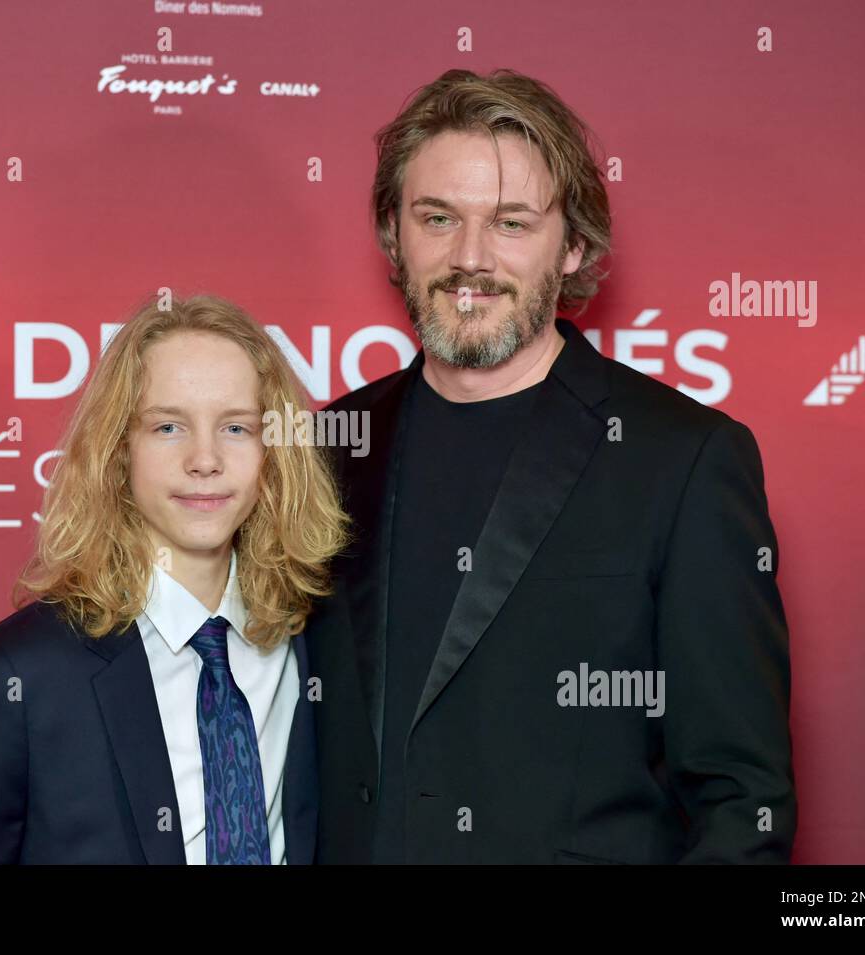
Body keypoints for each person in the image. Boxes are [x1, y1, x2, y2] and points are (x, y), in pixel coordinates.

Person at [306, 68, 797, 863]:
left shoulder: (683, 460)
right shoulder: (327, 450)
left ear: (572, 246)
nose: (470, 259)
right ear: (394, 234)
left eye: (510, 223)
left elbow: (743, 803)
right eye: (437, 218)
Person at [0, 294, 350, 863]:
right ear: (118, 454)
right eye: (167, 427)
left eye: (236, 427)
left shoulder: (315, 646)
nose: (204, 458)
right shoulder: (13, 678)